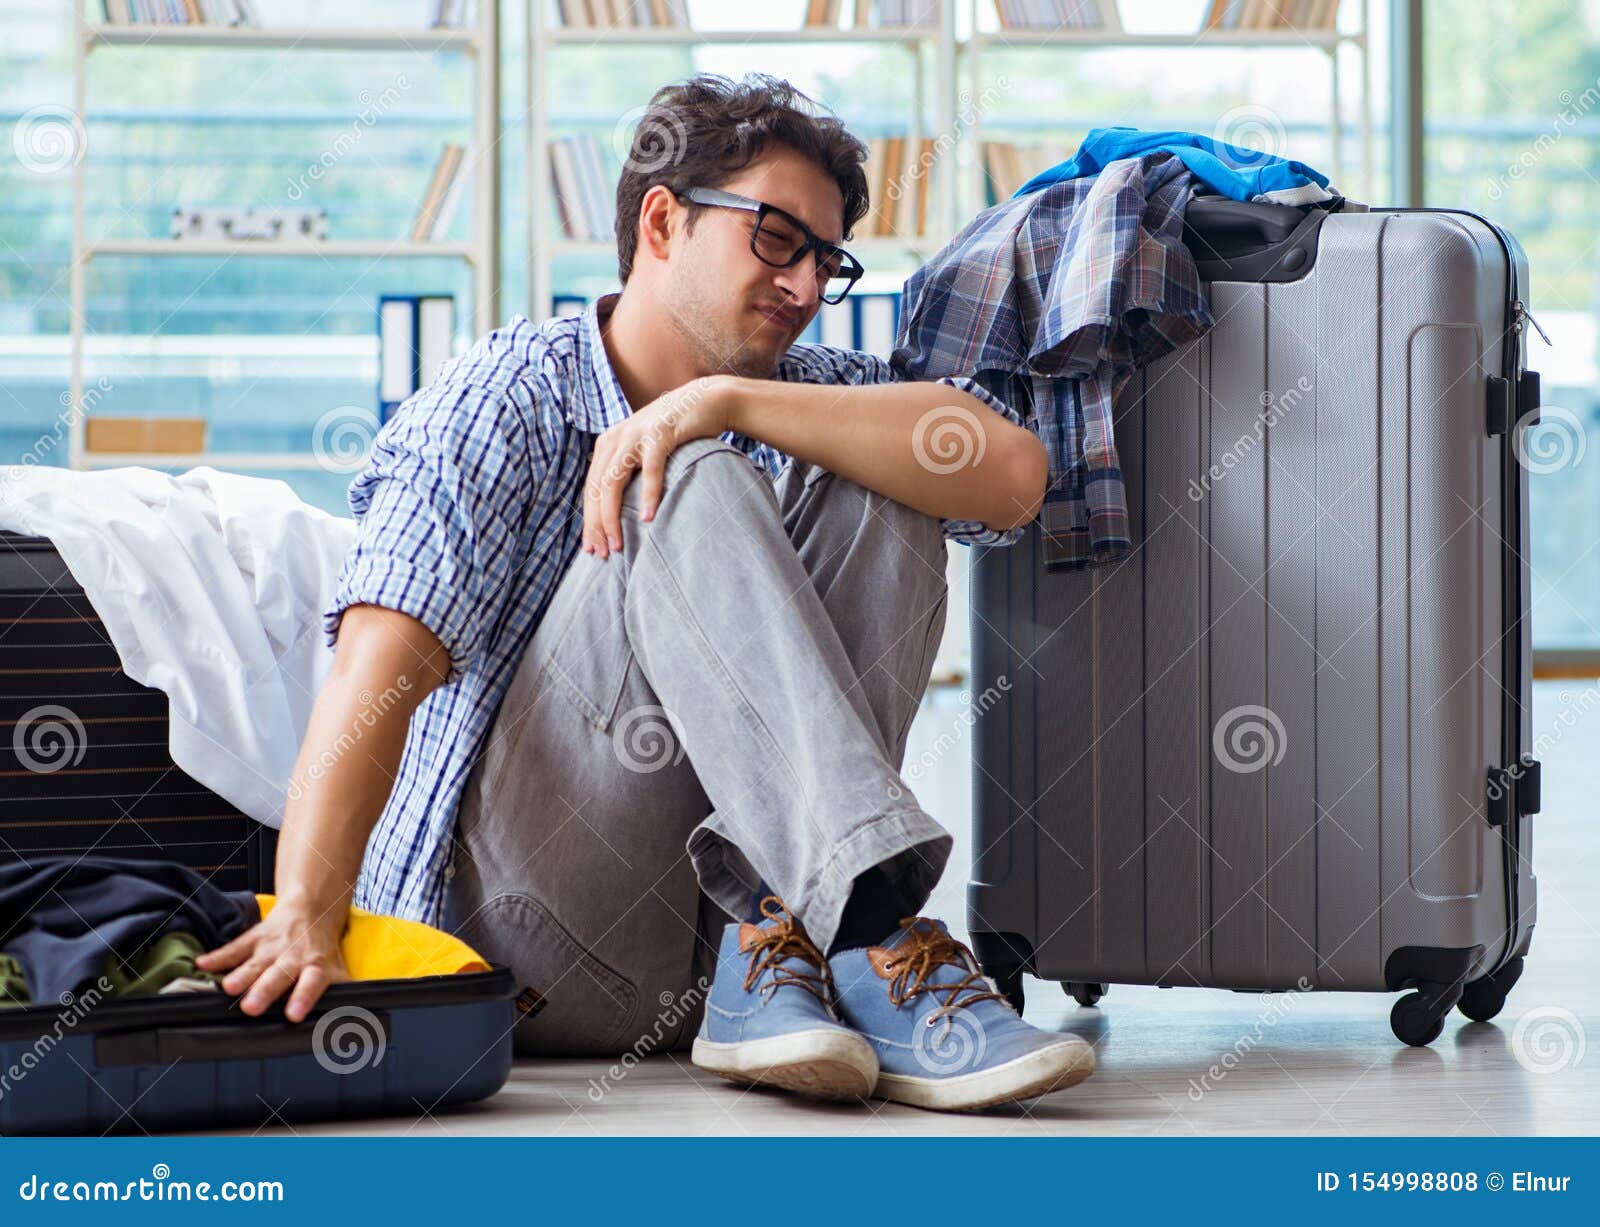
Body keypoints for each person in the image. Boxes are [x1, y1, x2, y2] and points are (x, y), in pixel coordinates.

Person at [197, 73, 1094, 1112]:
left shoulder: (803, 390)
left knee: (886, 478)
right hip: (526, 942)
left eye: (825, 261)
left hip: (752, 970)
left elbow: (1012, 477)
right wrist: (311, 906)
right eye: (774, 238)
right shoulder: (510, 392)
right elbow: (380, 667)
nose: (804, 287)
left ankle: (784, 951)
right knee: (686, 472)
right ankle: (873, 930)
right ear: (662, 221)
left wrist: (720, 399)